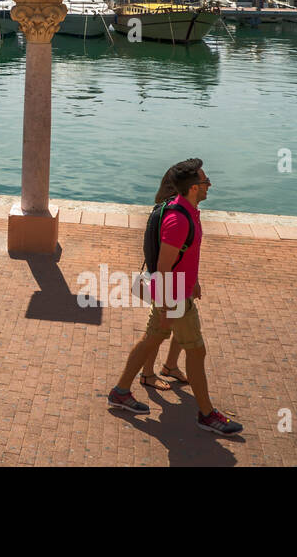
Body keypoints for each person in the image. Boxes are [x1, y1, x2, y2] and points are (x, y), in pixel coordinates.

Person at [106, 158, 243, 435]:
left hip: (179, 292)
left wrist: (194, 282)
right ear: (193, 188)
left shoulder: (188, 210)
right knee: (196, 349)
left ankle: (120, 392)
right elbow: (165, 266)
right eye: (205, 181)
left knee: (151, 339)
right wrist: (169, 305)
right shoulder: (177, 219)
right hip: (174, 298)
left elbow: (186, 256)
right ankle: (206, 414)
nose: (209, 185)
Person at [139, 167, 187, 391]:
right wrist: (165, 290)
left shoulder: (179, 210)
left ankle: (170, 365)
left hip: (179, 280)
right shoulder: (169, 213)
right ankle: (147, 374)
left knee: (179, 325)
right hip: (168, 282)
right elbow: (160, 257)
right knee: (156, 331)